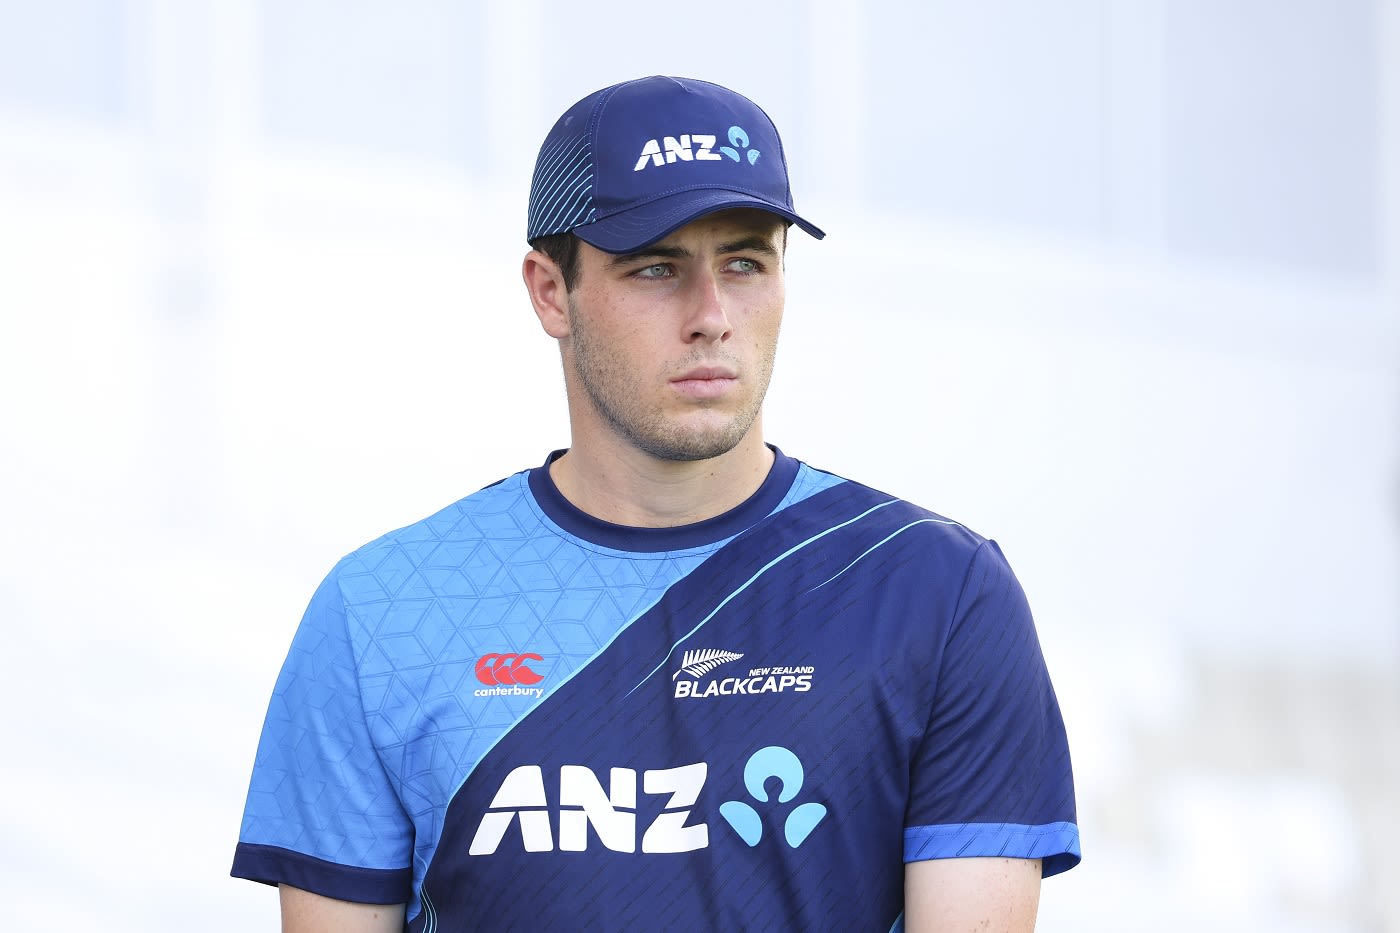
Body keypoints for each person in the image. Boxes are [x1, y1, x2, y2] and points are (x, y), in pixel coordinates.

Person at [232, 75, 1080, 932]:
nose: (712, 315)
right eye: (655, 267)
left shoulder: (937, 594)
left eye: (746, 262)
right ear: (549, 291)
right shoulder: (380, 610)